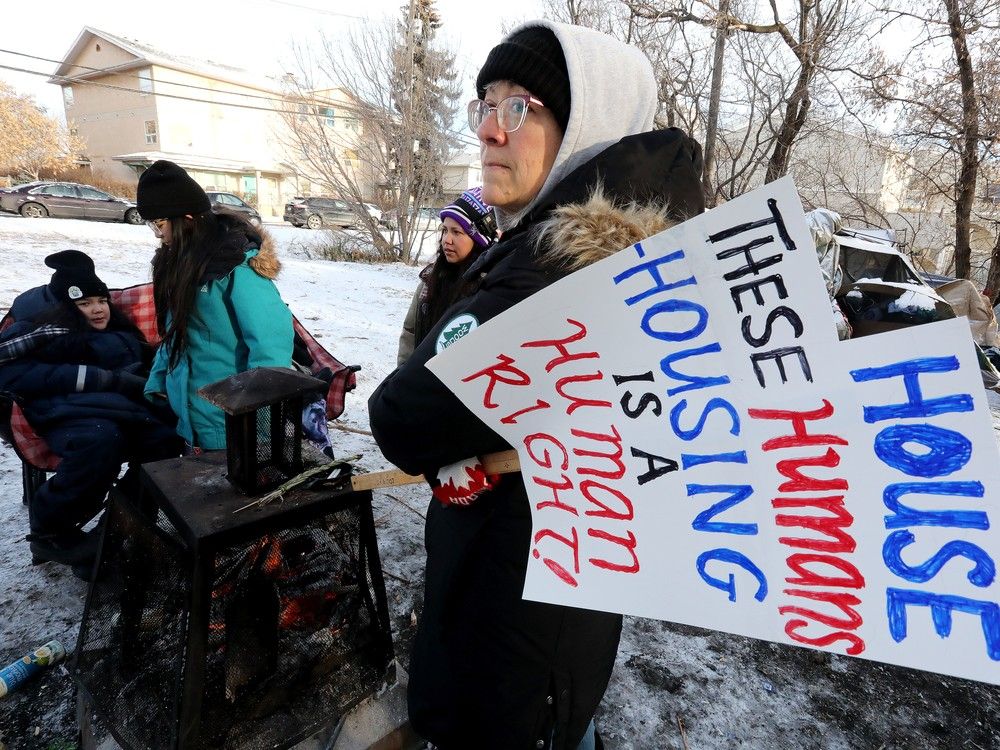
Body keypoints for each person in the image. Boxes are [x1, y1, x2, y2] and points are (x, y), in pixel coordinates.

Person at [368, 21, 704, 750]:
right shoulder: (630, 259)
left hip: (510, 626)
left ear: (587, 125)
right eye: (485, 103)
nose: (489, 130)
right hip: (562, 609)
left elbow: (401, 418)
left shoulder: (555, 272)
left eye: (519, 106)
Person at [0, 251, 182, 575]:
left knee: (165, 442)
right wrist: (96, 378)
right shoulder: (46, 333)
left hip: (115, 410)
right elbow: (10, 373)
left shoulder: (122, 333)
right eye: (85, 303)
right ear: (66, 308)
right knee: (100, 441)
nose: (98, 309)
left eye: (101, 300)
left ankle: (115, 532)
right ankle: (50, 530)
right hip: (64, 413)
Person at [136, 160, 293, 451]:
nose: (158, 235)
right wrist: (157, 381)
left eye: (159, 224)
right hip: (191, 413)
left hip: (231, 419)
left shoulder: (236, 269)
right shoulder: (180, 263)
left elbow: (271, 347)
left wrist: (260, 426)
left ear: (185, 218)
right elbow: (175, 331)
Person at [396, 186, 499, 365]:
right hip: (420, 383)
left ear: (479, 239)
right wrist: (401, 379)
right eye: (445, 230)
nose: (446, 240)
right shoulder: (430, 280)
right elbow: (409, 334)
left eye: (457, 232)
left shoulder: (491, 287)